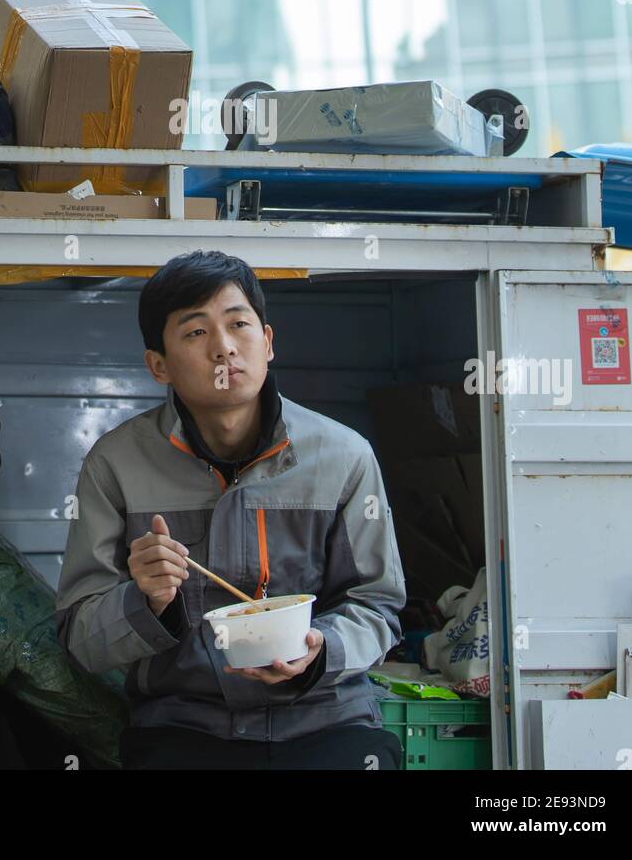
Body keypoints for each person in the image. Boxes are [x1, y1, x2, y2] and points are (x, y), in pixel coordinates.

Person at [55, 249, 406, 770]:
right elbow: (80, 639)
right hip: (184, 722)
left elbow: (377, 608)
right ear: (159, 365)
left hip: (323, 715)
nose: (223, 348)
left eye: (238, 325)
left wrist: (320, 651)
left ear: (266, 342)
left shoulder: (344, 456)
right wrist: (146, 602)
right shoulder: (116, 463)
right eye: (195, 333)